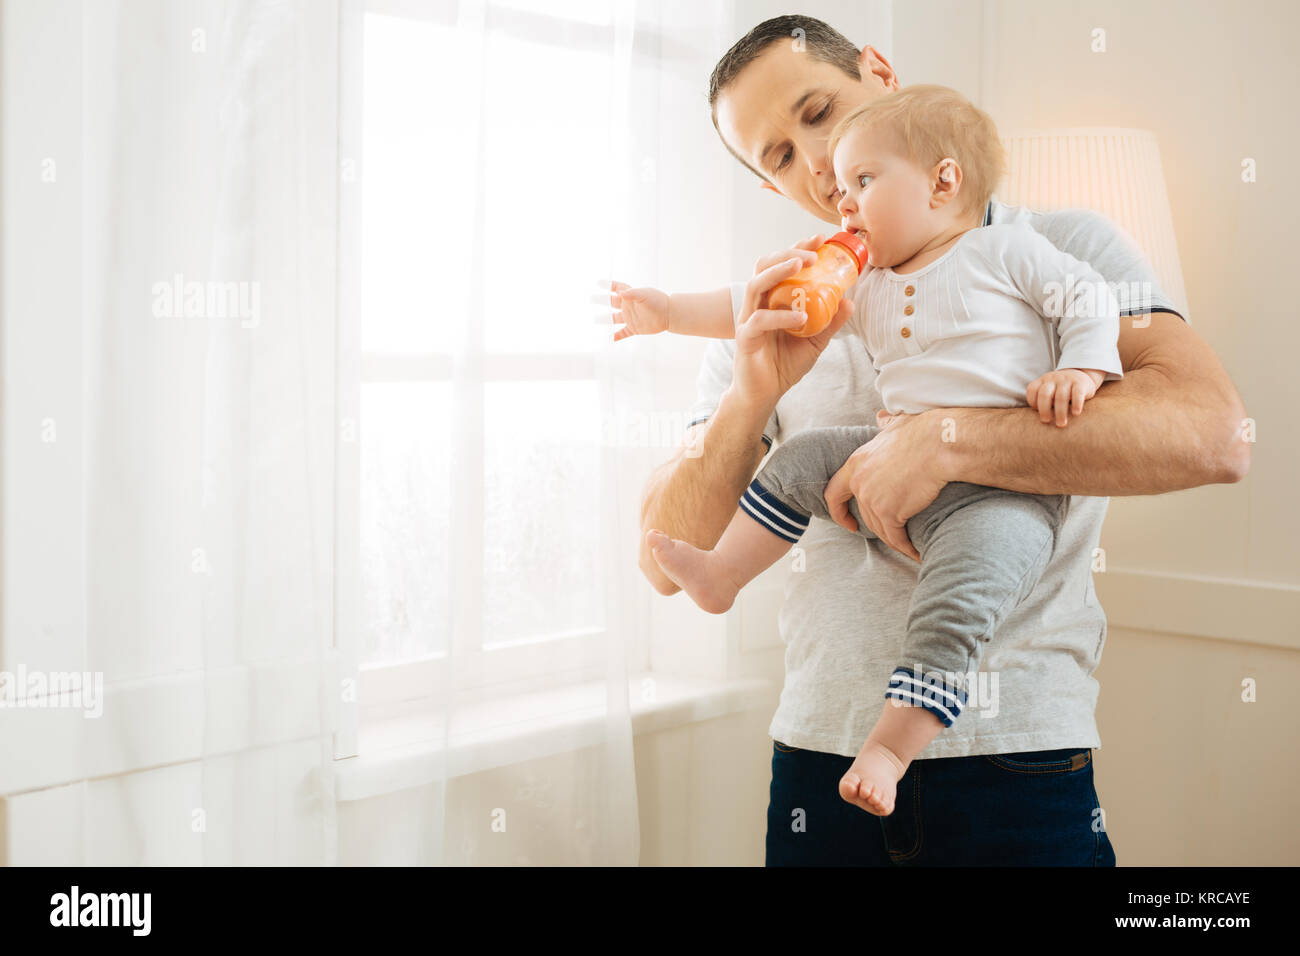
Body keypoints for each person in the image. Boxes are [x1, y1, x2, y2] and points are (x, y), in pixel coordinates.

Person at [616, 15, 1249, 866]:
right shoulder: (788, 305)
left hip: (1017, 765)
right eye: (778, 156)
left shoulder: (1056, 245)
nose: (815, 164)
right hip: (817, 765)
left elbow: (1212, 434)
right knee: (794, 467)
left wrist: (949, 444)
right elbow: (665, 559)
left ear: (880, 74)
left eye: (818, 111)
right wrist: (749, 395)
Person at [643, 83, 1127, 818]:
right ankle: (720, 574)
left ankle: (892, 747)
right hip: (883, 452)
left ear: (943, 182)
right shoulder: (862, 283)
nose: (841, 197)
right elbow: (753, 303)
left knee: (957, 601)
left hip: (1000, 496)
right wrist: (672, 312)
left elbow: (1088, 299)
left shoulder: (1011, 250)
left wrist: (1083, 367)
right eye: (781, 157)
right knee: (803, 459)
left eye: (862, 181)